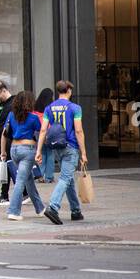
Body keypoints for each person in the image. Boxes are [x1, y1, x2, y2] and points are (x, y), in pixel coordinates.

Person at [43, 81, 87, 225]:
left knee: (68, 180)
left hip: (57, 147)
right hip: (71, 147)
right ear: (68, 90)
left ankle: (75, 210)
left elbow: (44, 130)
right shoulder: (75, 108)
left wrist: (38, 150)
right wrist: (84, 152)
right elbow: (79, 131)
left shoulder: (49, 108)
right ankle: (53, 207)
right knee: (65, 178)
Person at [0, 90, 45, 221]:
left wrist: (3, 152)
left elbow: (4, 134)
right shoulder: (33, 117)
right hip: (27, 150)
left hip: (13, 150)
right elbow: (41, 133)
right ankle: (13, 211)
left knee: (28, 179)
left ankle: (40, 208)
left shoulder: (11, 115)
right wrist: (39, 151)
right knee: (21, 181)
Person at [33, 88, 57, 182]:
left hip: (38, 132)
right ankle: (49, 177)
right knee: (50, 154)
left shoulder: (35, 107)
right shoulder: (50, 108)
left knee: (41, 153)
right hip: (48, 131)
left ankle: (40, 175)